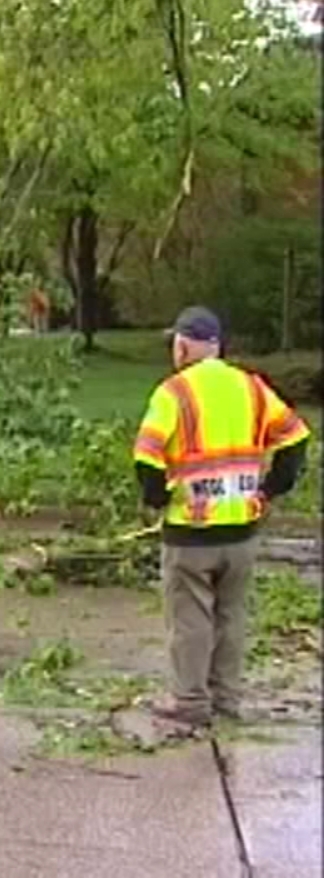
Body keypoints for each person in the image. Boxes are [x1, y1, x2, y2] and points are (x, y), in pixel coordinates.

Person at [132, 306, 311, 731]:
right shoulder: (251, 387)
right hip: (242, 529)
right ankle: (226, 699)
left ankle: (191, 702)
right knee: (231, 616)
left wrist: (156, 498)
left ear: (183, 345)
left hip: (191, 531)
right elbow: (296, 437)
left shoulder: (174, 393)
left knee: (191, 617)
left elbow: (147, 454)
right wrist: (271, 489)